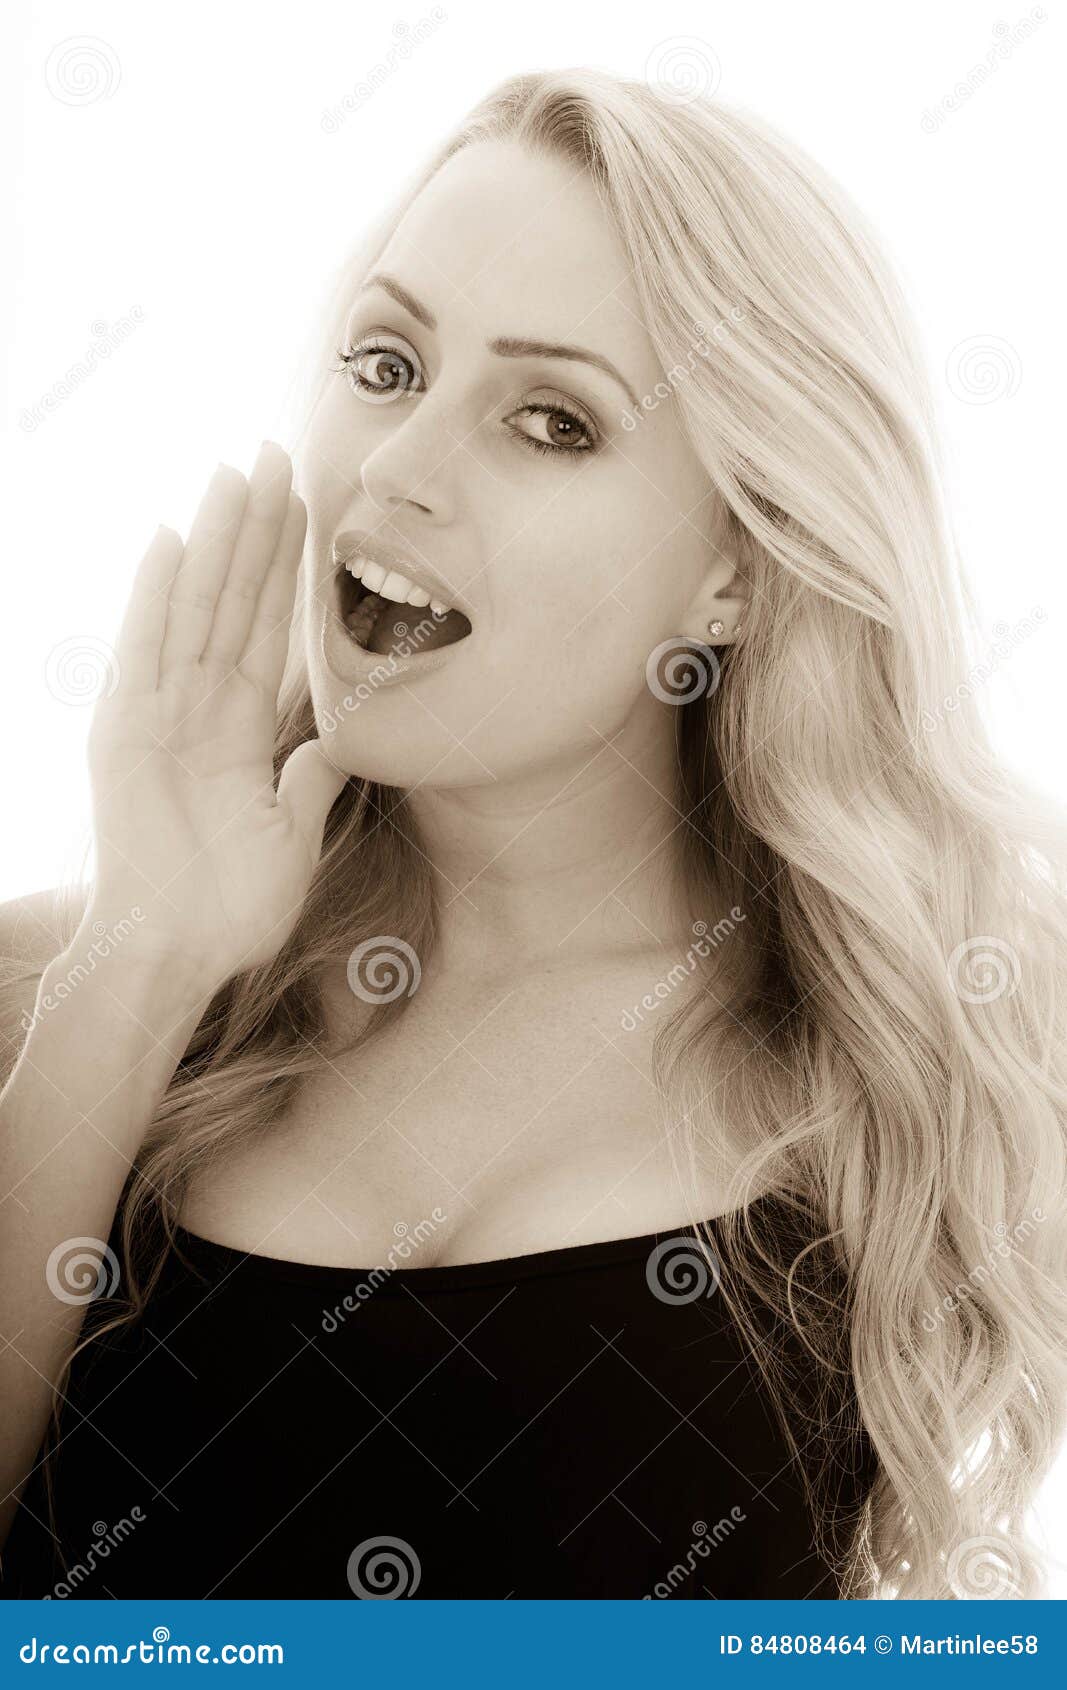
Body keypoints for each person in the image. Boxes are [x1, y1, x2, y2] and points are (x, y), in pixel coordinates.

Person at [1, 66, 1064, 1601]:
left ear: (736, 572)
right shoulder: (61, 988)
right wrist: (141, 957)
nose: (397, 470)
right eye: (387, 364)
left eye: (551, 422)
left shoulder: (936, 1052)